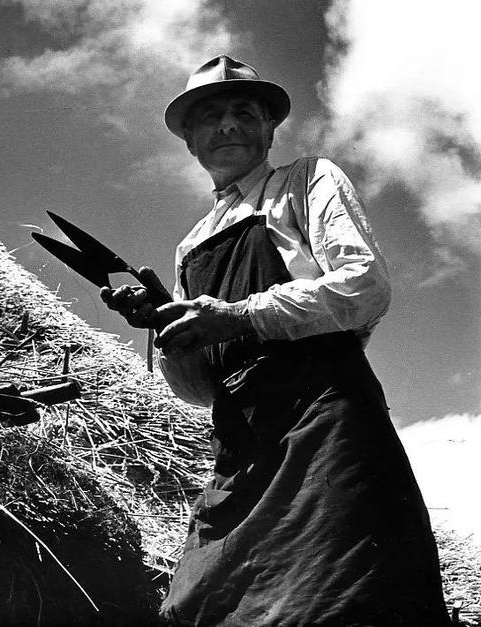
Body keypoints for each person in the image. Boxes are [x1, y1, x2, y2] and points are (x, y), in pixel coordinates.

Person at [101, 55, 451, 627]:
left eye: (244, 112)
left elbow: (364, 288)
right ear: (190, 142)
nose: (229, 126)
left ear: (270, 128)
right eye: (211, 117)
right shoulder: (191, 244)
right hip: (241, 447)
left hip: (323, 424)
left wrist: (240, 315)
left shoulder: (305, 181)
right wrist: (167, 332)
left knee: (340, 595)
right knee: (199, 605)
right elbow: (198, 390)